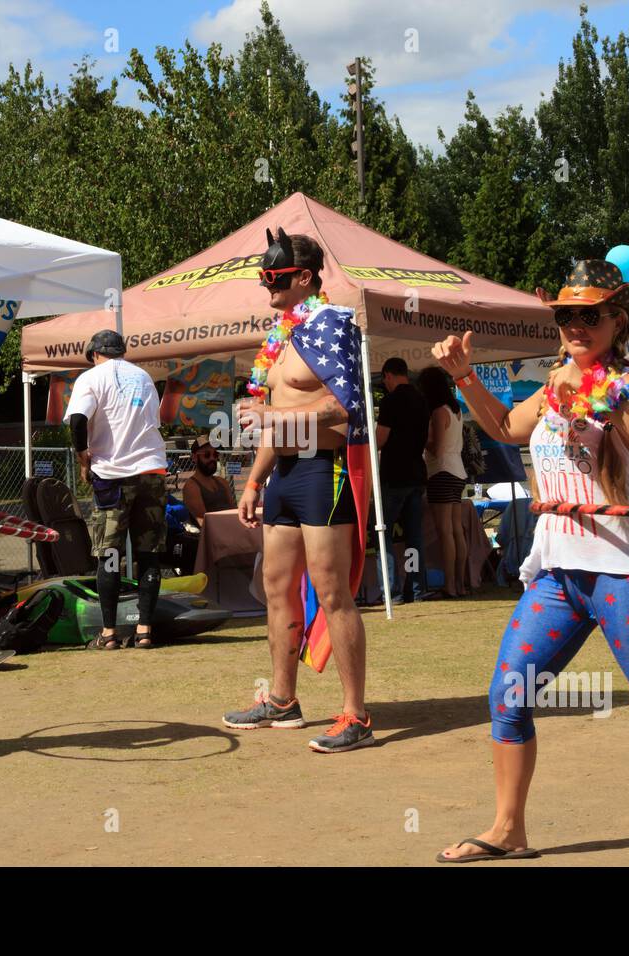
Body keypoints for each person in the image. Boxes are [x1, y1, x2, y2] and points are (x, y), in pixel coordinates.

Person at [432, 259, 629, 866]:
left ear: (616, 320)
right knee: (509, 695)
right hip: (556, 571)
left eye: (590, 315)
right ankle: (507, 829)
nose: (576, 325)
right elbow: (503, 427)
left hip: (622, 567)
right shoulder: (550, 387)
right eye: (566, 315)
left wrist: (602, 396)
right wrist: (466, 376)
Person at [223, 227, 374, 754]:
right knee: (275, 587)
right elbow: (279, 420)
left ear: (304, 277)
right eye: (264, 277)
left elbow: (342, 407)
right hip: (285, 473)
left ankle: (355, 714)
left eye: (275, 277)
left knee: (333, 592)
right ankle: (282, 699)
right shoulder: (284, 331)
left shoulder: (333, 324)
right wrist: (254, 478)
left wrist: (271, 414)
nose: (267, 286)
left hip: (324, 468)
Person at [66, 329, 168, 650]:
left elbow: (78, 420)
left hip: (112, 476)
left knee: (109, 555)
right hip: (151, 471)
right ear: (121, 351)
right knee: (149, 553)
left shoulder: (91, 378)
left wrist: (82, 454)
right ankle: (145, 630)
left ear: (94, 354)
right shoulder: (144, 378)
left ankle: (109, 633)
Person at [374, 357, 431, 602]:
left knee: (382, 532)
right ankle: (415, 587)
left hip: (394, 474)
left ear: (388, 375)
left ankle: (391, 590)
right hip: (416, 473)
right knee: (413, 536)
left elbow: (380, 439)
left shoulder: (391, 401)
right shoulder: (422, 399)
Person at [419, 365, 470, 598]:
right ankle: (460, 583)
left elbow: (436, 449)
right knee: (456, 531)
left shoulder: (438, 411)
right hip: (457, 471)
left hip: (441, 472)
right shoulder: (455, 410)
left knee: (445, 532)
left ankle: (450, 585)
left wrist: (420, 439)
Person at [181, 435, 236, 527]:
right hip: (210, 536)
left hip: (230, 530)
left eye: (215, 454)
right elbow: (204, 523)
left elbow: (233, 510)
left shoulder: (222, 482)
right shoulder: (191, 487)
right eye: (206, 455)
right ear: (194, 457)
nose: (212, 459)